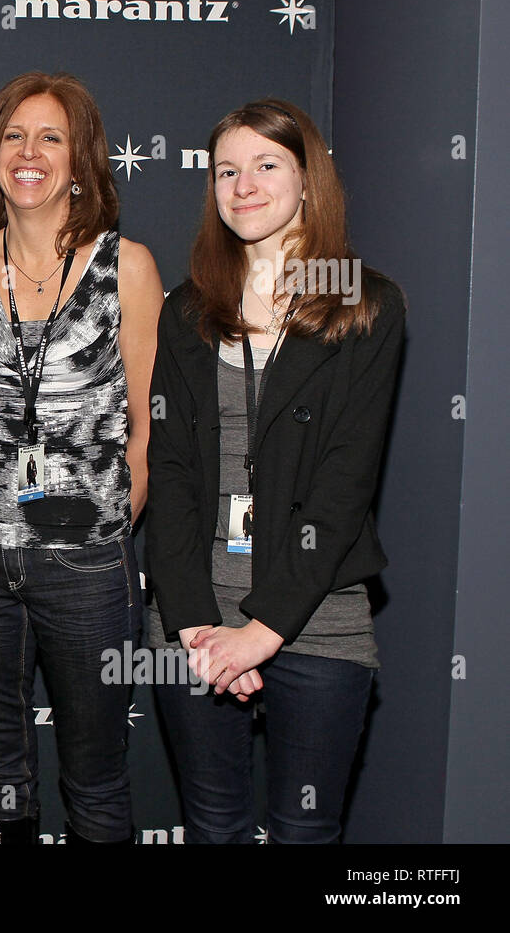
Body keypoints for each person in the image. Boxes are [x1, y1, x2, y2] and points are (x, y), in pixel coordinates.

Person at [144, 99, 405, 843]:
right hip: (194, 619)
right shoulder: (188, 309)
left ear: (307, 178)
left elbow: (346, 482)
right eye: (227, 170)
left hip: (317, 616)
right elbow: (169, 474)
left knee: (303, 832)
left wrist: (263, 631)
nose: (243, 186)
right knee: (214, 826)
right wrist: (193, 622)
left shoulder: (364, 304)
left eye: (266, 166)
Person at [0, 72, 163, 844]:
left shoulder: (125, 267)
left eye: (50, 138)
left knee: (96, 782)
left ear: (81, 162)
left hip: (85, 565)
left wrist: (102, 528)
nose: (29, 153)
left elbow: (149, 426)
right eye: (13, 136)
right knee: (0, 774)